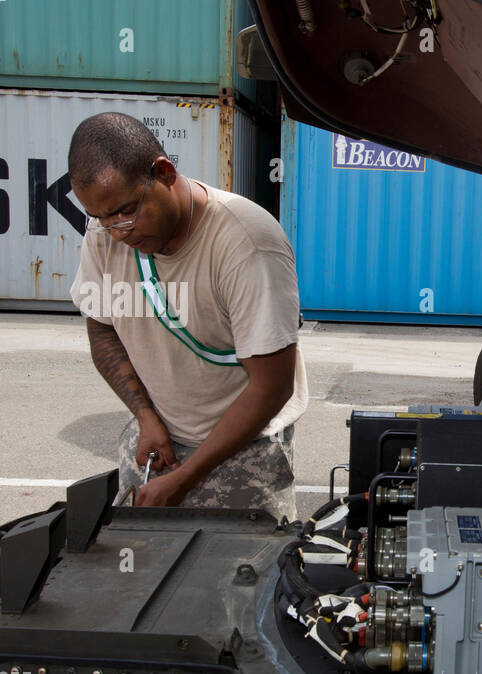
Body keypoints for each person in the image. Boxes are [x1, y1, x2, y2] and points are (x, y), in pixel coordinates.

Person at [68, 111, 307, 519]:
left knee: (247, 576)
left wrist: (186, 478)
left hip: (245, 449)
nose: (118, 232)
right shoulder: (105, 234)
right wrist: (145, 416)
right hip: (157, 438)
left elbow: (272, 386)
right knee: (137, 568)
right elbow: (103, 331)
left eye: (126, 211)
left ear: (163, 173)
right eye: (103, 218)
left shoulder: (247, 243)